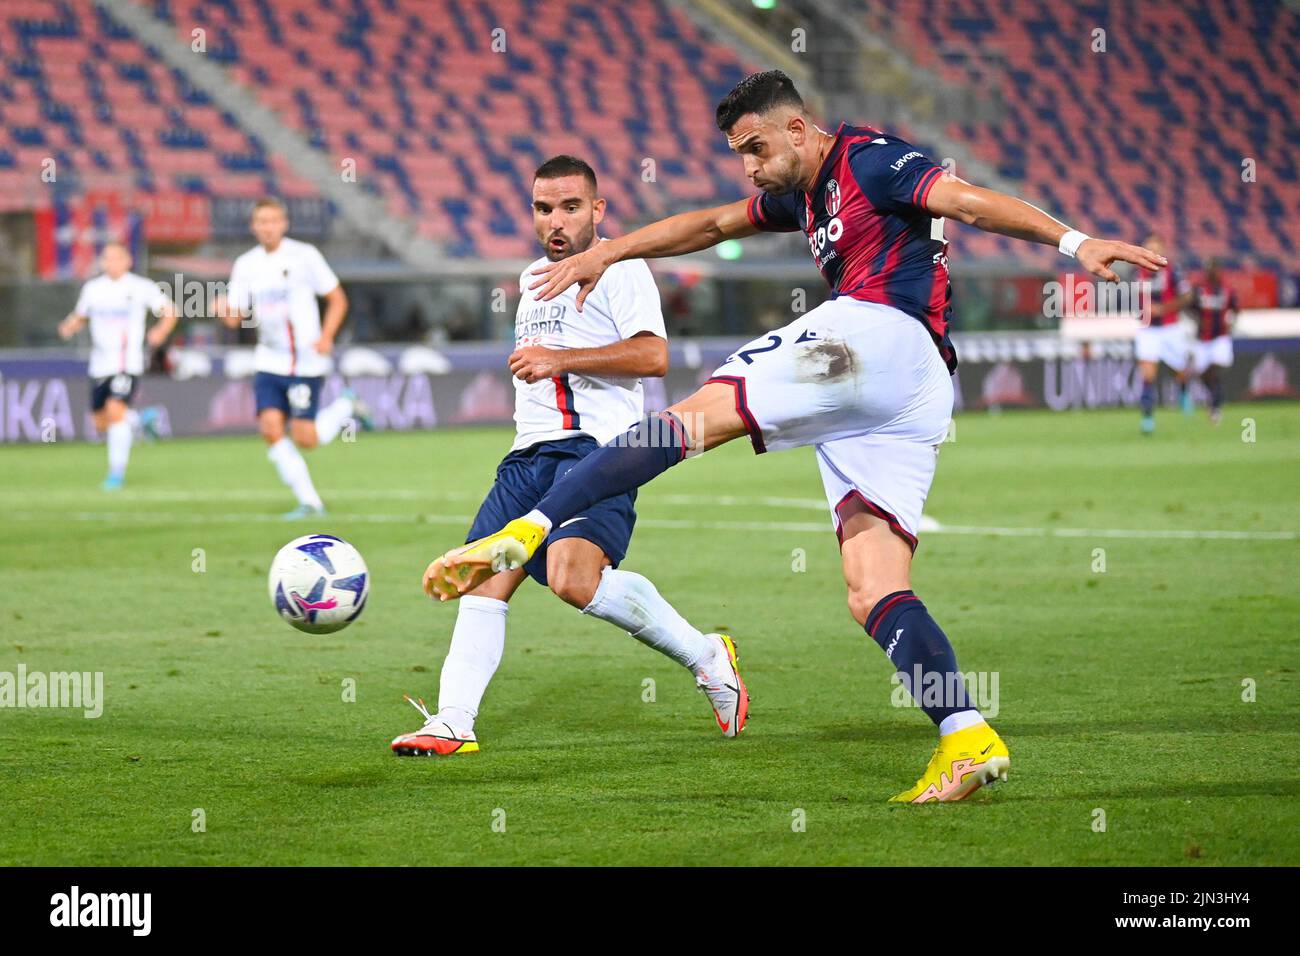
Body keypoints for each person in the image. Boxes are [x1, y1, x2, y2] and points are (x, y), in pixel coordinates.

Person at [427, 71, 1167, 803]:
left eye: (755, 148)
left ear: (796, 128)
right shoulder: (804, 194)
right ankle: (967, 735)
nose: (751, 167)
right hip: (908, 394)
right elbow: (713, 225)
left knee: (695, 416)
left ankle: (530, 528)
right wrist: (604, 253)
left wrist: (1075, 242)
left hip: (878, 333)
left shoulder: (870, 159)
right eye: (739, 155)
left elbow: (967, 201)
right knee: (873, 587)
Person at [392, 156, 747, 757]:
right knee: (482, 582)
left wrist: (561, 359)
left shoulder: (620, 268)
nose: (556, 221)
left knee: (572, 580)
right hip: (525, 459)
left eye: (571, 207)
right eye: (543, 208)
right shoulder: (532, 279)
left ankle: (707, 655)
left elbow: (653, 357)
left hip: (597, 453)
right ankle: (453, 721)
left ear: (598, 210)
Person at [218, 198, 370, 519]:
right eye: (262, 221)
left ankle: (346, 405)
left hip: (305, 361)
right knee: (270, 428)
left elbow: (337, 299)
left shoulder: (304, 256)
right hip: (269, 360)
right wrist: (222, 310)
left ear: (284, 224)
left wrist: (327, 335)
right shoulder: (245, 264)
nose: (268, 227)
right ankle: (310, 502)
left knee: (306, 439)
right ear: (254, 226)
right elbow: (235, 318)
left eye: (273, 221)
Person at [58, 241, 176, 489]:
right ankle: (142, 420)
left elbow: (170, 311)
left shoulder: (140, 287)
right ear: (102, 262)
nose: (111, 263)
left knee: (115, 411)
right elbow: (82, 315)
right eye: (107, 258)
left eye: (116, 258)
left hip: (126, 362)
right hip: (99, 365)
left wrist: (160, 331)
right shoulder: (93, 289)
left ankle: (116, 474)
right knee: (101, 422)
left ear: (127, 261)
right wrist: (70, 325)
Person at [1134, 233, 1196, 433]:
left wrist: (1164, 308)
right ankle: (1147, 419)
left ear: (1162, 249)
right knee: (1148, 374)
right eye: (1148, 247)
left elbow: (1187, 296)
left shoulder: (1172, 270)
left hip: (1171, 328)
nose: (1152, 251)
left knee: (1178, 371)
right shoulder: (1137, 272)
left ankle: (1184, 392)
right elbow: (1130, 297)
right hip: (1148, 330)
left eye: (1156, 247)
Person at [1191, 259, 1238, 425]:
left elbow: (1235, 308)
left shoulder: (1227, 289)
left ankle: (1215, 407)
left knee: (1215, 370)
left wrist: (1231, 322)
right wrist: (1197, 321)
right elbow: (1190, 308)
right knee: (1204, 374)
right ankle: (1214, 400)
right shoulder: (1199, 290)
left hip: (1220, 337)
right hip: (1202, 339)